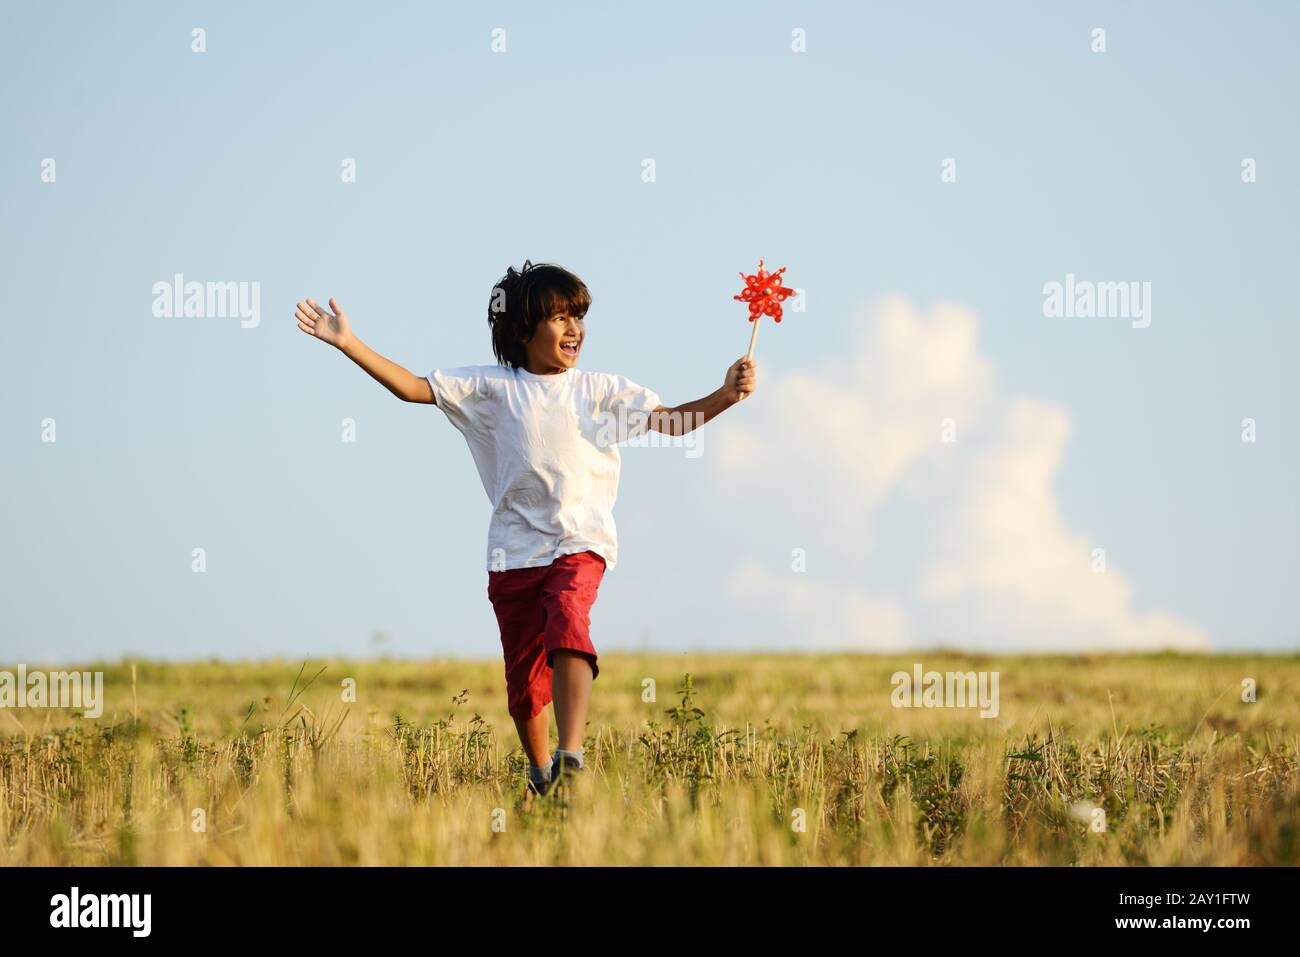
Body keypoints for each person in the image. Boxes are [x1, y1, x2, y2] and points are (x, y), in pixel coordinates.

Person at [294, 261, 756, 796]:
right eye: (559, 317)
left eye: (577, 316)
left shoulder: (602, 391)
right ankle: (543, 779)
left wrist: (724, 395)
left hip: (580, 542)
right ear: (521, 331)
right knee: (523, 681)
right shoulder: (491, 389)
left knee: (568, 621)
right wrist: (348, 343)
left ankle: (572, 755)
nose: (573, 328)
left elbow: (672, 421)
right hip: (512, 554)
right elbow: (412, 389)